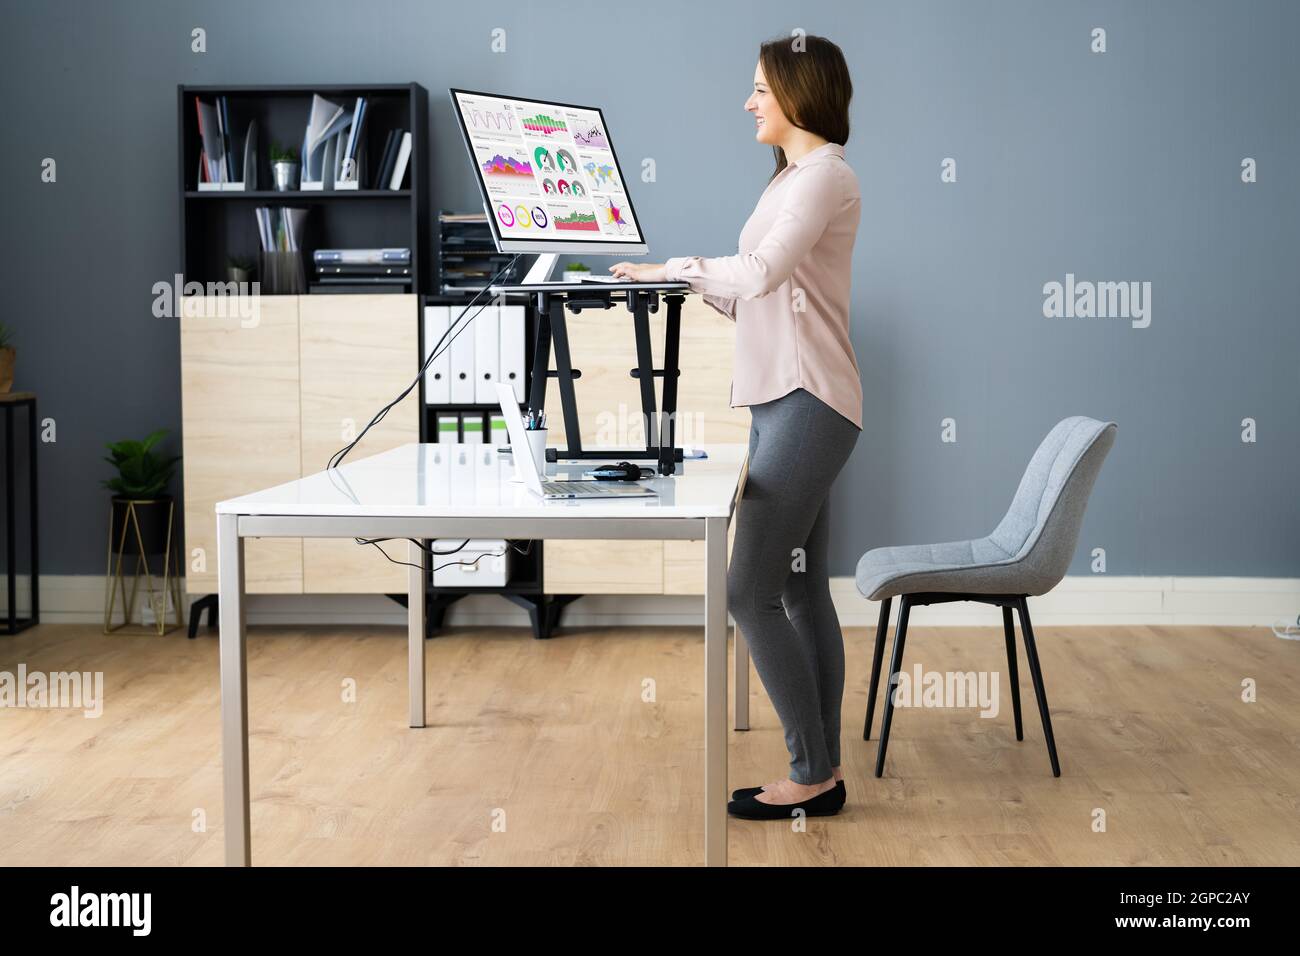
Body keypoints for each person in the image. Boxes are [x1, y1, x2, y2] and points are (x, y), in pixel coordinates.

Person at [610, 34, 863, 820]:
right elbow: (755, 294)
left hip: (810, 402)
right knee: (796, 586)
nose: (749, 102)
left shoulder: (824, 176)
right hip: (782, 401)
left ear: (797, 90)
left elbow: (759, 273)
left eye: (760, 88)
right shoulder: (789, 181)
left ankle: (809, 773)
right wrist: (676, 284)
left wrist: (675, 266)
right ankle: (824, 769)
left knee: (746, 589)